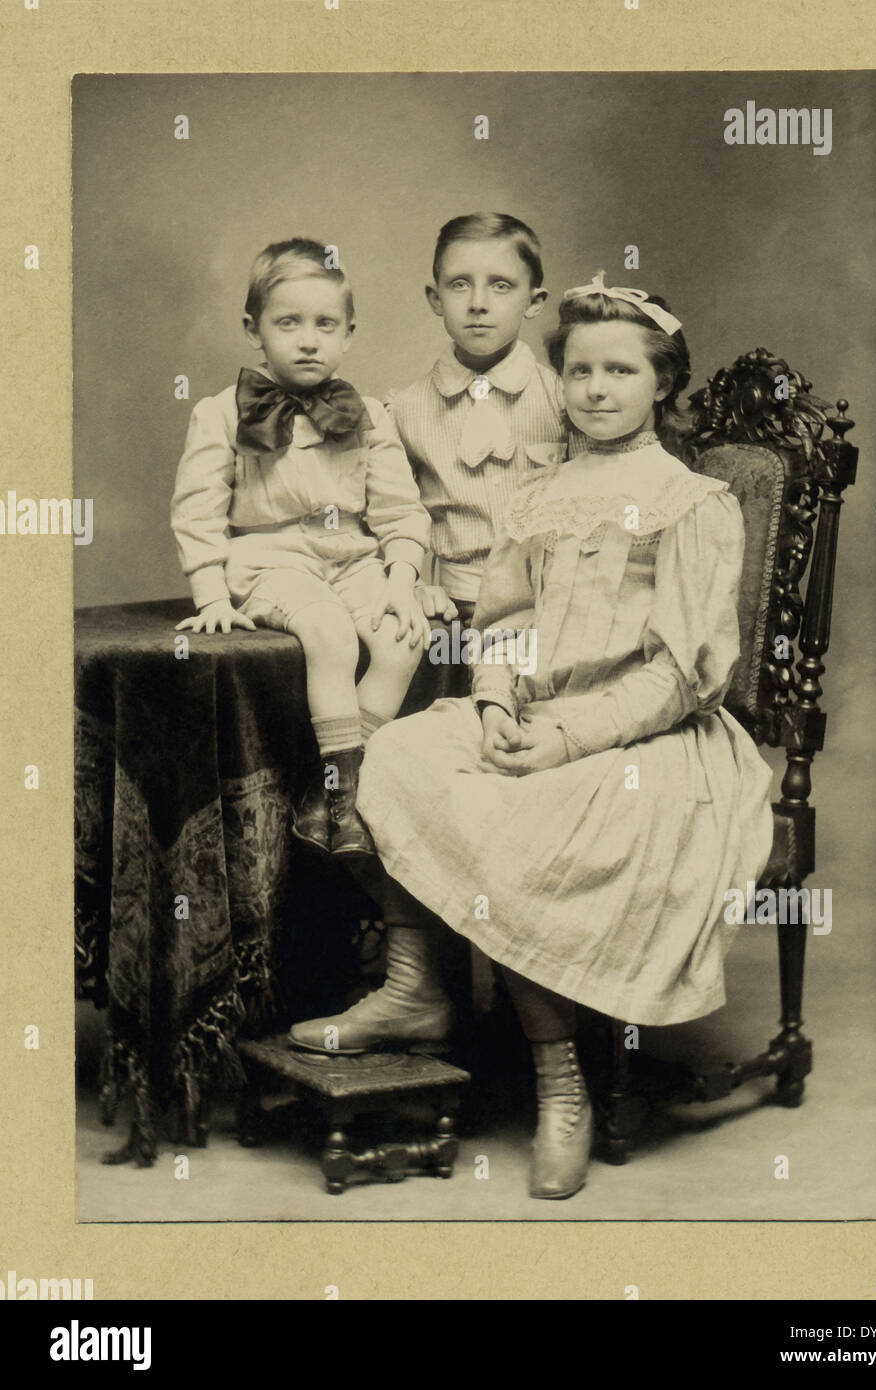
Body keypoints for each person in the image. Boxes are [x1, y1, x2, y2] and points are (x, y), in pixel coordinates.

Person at [290, 272, 774, 1201]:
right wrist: (497, 705)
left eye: (620, 372)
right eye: (580, 371)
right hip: (533, 719)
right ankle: (415, 987)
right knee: (398, 755)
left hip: (646, 741)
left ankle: (561, 1080)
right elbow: (503, 626)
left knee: (522, 821)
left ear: (662, 382)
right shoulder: (537, 494)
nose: (596, 390)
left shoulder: (690, 501)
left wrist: (567, 738)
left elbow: (682, 674)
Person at [170, 238, 431, 859]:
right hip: (271, 560)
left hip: (354, 560)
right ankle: (345, 794)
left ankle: (331, 791)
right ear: (253, 329)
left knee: (403, 638)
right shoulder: (220, 413)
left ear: (348, 333)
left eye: (325, 325)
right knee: (329, 634)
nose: (308, 340)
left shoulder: (366, 413)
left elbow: (400, 510)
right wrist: (210, 592)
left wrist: (401, 580)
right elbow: (197, 510)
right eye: (288, 323)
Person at [388, 212, 575, 705]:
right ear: (435, 298)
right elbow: (384, 515)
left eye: (500, 286)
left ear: (534, 302)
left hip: (548, 612)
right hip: (452, 615)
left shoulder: (565, 401)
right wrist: (408, 587)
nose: (477, 304)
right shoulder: (402, 410)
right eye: (458, 285)